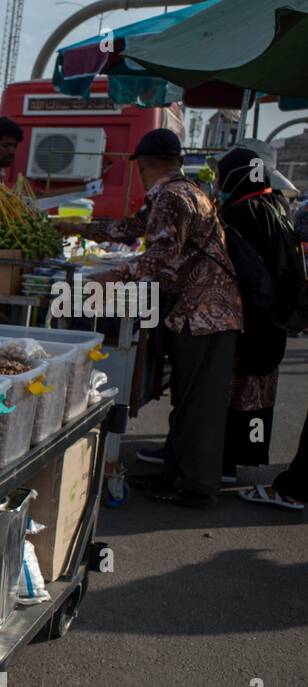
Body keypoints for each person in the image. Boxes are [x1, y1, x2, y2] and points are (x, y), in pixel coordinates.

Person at [56, 128, 243, 508]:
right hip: (200, 312)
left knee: (199, 405)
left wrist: (109, 277)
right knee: (189, 399)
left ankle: (195, 487)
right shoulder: (181, 191)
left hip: (207, 313)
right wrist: (78, 228)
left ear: (143, 164)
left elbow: (159, 256)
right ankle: (176, 473)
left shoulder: (173, 197)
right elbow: (132, 229)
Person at [216, 147, 292, 482]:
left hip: (249, 318)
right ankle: (253, 452)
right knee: (260, 394)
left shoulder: (240, 212)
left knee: (237, 393)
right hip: (276, 318)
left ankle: (228, 461)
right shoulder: (278, 204)